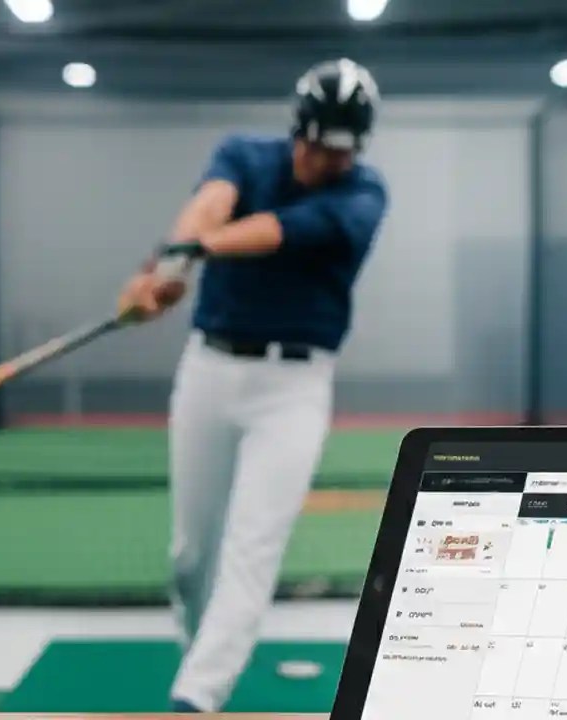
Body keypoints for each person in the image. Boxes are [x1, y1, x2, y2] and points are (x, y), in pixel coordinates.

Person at [117, 57, 388, 713]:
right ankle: (196, 659)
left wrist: (184, 258)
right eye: (319, 144)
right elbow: (211, 204)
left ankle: (196, 698)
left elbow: (272, 232)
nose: (327, 160)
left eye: (341, 149)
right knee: (190, 556)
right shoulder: (244, 154)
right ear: (300, 128)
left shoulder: (363, 195)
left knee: (253, 545)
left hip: (293, 389)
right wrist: (166, 266)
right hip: (210, 371)